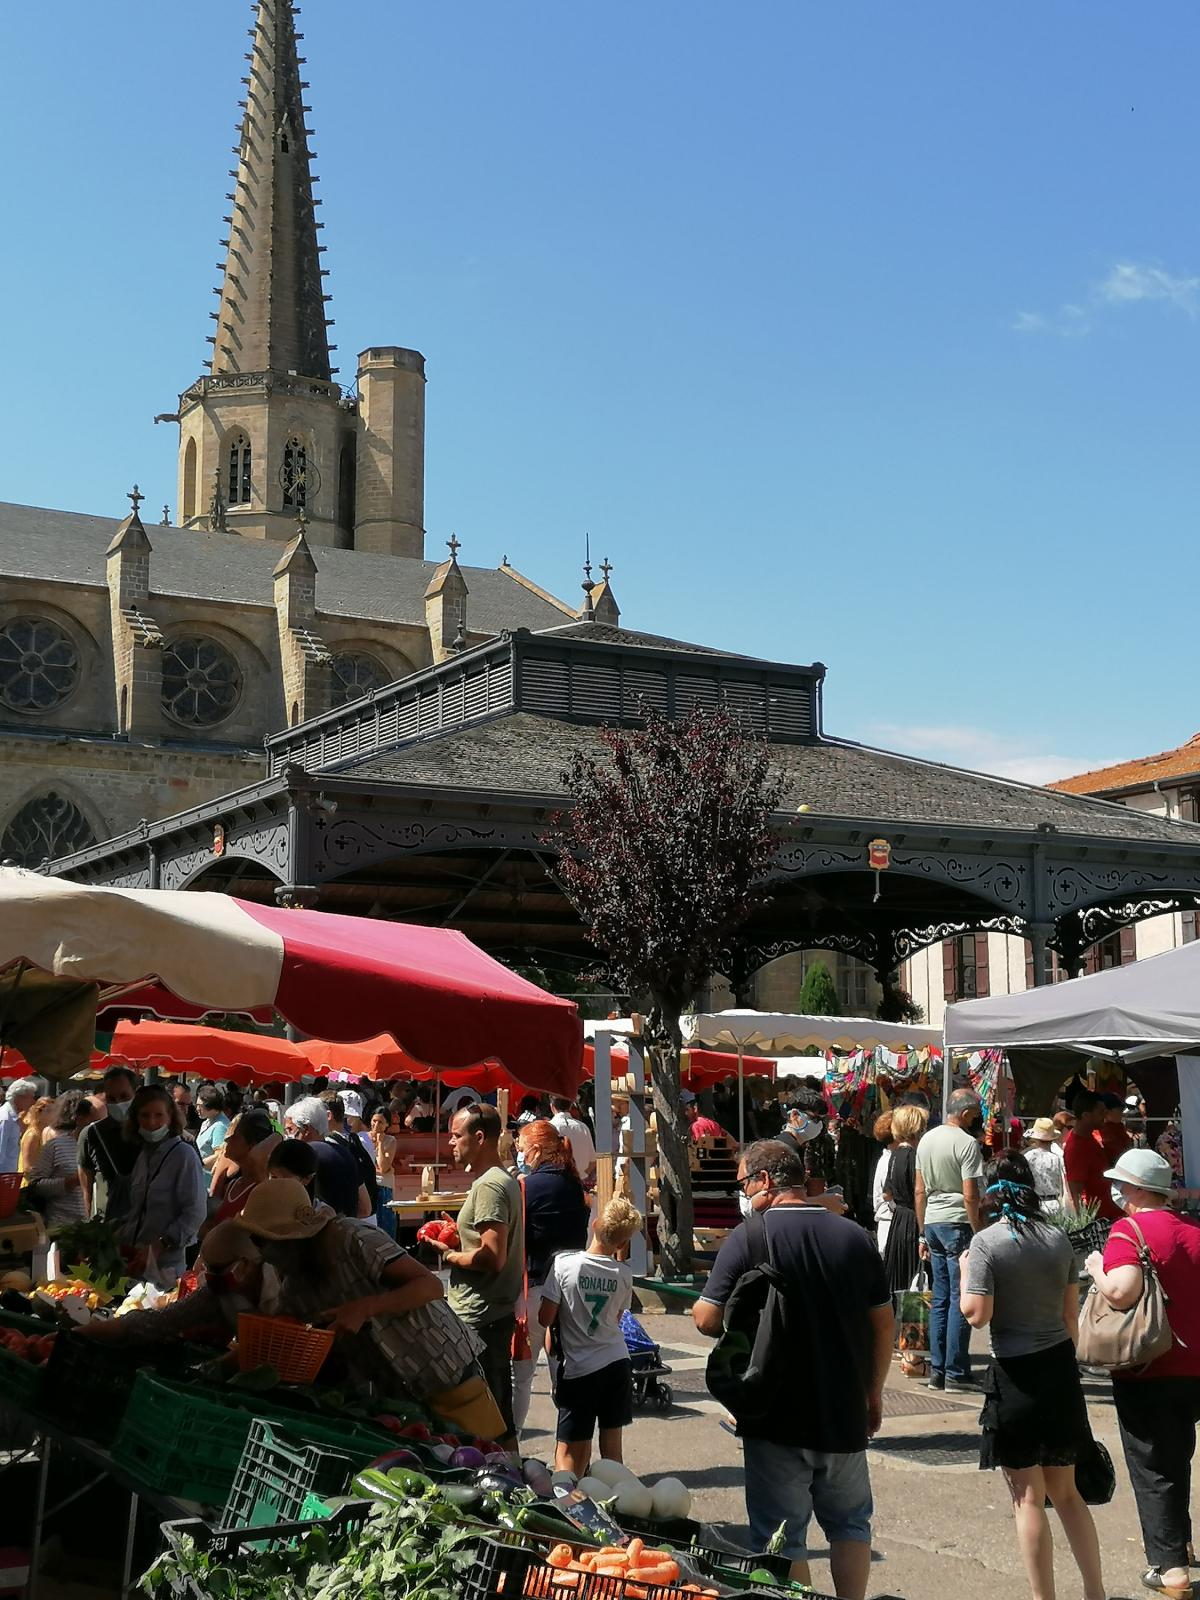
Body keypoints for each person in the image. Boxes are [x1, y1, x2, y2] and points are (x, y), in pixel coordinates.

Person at [693, 1140, 891, 1600]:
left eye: (744, 1183)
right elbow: (883, 1323)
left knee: (781, 1538)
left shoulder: (751, 1236)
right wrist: (873, 1392)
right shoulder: (855, 1237)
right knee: (851, 1524)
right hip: (844, 1408)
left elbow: (706, 1318)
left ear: (764, 1180)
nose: (744, 1193)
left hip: (775, 1412)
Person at [235, 1178, 503, 1439]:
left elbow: (429, 1286)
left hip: (441, 1366)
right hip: (395, 1393)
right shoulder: (294, 1286)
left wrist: (365, 1308)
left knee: (486, 1454)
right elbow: (284, 1337)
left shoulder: (353, 1237)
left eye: (263, 1241)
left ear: (291, 1238)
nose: (262, 1253)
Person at [960, 1154, 1103, 1600]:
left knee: (1027, 1499)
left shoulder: (986, 1243)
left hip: (1014, 1374)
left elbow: (977, 1315)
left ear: (992, 1194)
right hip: (1059, 1370)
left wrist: (964, 1272)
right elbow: (1070, 1317)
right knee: (1068, 1494)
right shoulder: (1058, 1239)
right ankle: (1095, 1592)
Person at [1084, 1149, 1200, 1600]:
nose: (1116, 1190)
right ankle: (1181, 1543)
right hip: (1194, 1366)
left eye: (1120, 1183)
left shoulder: (1127, 1231)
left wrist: (1096, 1268)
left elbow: (1121, 1291)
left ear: (1134, 1188)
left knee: (1152, 1466)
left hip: (1150, 1366)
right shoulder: (1192, 1229)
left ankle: (1171, 1570)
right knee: (1177, 1456)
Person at [426, 1104, 523, 1451]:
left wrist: (449, 1254)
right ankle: (510, 1470)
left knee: (487, 1420)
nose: (451, 1143)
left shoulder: (489, 1186)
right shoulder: (499, 1180)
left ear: (479, 1137)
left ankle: (507, 1475)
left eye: (456, 1135)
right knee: (495, 1415)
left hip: (480, 1318)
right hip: (491, 1315)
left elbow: (492, 1257)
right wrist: (460, 1234)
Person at [540, 1195, 642, 1474]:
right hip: (617, 1361)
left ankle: (567, 1497)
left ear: (595, 1224)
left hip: (580, 1368)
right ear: (622, 1244)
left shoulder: (564, 1265)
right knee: (612, 1451)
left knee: (568, 1452)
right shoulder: (623, 1273)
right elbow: (616, 1319)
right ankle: (616, 1496)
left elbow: (545, 1317)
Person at [512, 1120, 591, 1432]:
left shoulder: (527, 1188)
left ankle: (512, 1446)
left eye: (521, 1149)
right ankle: (573, 1443)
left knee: (521, 1375)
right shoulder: (573, 1185)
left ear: (535, 1150)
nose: (520, 1155)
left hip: (536, 1287)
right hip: (571, 1289)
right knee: (565, 1370)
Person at [915, 1087, 984, 1391]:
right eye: (975, 1114)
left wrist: (922, 1230)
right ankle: (956, 1372)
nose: (976, 1119)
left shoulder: (926, 1139)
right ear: (966, 1113)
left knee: (941, 1297)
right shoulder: (967, 1143)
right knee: (959, 1296)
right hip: (958, 1222)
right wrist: (978, 1230)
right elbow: (970, 1195)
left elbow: (919, 1190)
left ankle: (938, 1371)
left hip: (932, 1220)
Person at [116, 1084, 208, 1286]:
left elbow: (195, 1213)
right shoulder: (143, 1156)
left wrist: (161, 1244)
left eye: (159, 1115)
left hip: (165, 1271)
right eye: (145, 1116)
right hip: (133, 1266)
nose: (152, 1123)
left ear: (170, 1117)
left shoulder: (184, 1155)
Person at [283, 1097, 369, 1218]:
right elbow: (365, 1208)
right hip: (345, 1226)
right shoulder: (345, 1152)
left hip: (315, 1227)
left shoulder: (302, 1158)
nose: (287, 1136)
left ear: (306, 1129)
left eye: (290, 1129)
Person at [77, 1066, 141, 1221]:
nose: (118, 1103)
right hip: (107, 1223)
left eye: (124, 1096)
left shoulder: (152, 1131)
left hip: (147, 1222)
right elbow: (86, 1186)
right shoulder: (92, 1134)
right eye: (111, 1098)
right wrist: (89, 1221)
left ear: (137, 1094)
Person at [27, 1091, 97, 1227]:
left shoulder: (105, 1147)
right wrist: (71, 1182)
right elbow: (35, 1186)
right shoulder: (56, 1146)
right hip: (62, 1226)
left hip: (97, 1229)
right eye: (94, 1119)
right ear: (79, 1118)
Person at [881, 1104, 928, 1293]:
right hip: (914, 1218)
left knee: (899, 1272)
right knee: (915, 1274)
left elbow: (887, 1193)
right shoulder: (915, 1156)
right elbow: (919, 1191)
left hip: (898, 1219)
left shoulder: (894, 1155)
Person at [208, 1108, 278, 1224]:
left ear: (251, 1146)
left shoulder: (259, 1189)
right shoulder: (233, 1184)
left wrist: (278, 1135)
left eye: (235, 1136)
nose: (228, 1139)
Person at [1063, 1092, 1121, 1222]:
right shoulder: (1076, 1148)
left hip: (1109, 1215)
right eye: (1101, 1112)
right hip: (1098, 1221)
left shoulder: (1090, 1137)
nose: (1105, 1115)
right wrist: (1084, 1226)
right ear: (1086, 1116)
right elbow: (1076, 1194)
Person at [327, 1095, 379, 1213]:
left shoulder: (360, 1140)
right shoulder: (358, 1138)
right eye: (345, 1117)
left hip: (359, 1210)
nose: (347, 1122)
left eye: (349, 1117)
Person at [1023, 1118, 1071, 1217]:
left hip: (1036, 1203)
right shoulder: (1057, 1158)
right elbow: (1063, 1185)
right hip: (1055, 1204)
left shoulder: (1028, 1156)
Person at [550, 1096, 597, 1185]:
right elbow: (593, 1161)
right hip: (579, 1182)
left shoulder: (548, 1128)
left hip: (555, 1181)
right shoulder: (583, 1127)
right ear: (570, 1106)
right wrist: (581, 1175)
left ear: (552, 1107)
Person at [0, 1078, 39, 1175]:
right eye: (31, 1097)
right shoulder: (5, 1119)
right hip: (4, 1176)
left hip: (10, 1174)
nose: (33, 1102)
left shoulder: (14, 1116)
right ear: (19, 1097)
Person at [870, 1112, 895, 1256]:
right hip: (890, 1219)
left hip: (887, 1219)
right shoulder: (889, 1161)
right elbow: (888, 1195)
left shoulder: (886, 1158)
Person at [371, 1108, 398, 1237]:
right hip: (368, 1186)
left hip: (383, 1187)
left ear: (387, 1124)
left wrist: (380, 1143)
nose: (376, 1125)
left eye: (380, 1122)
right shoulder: (362, 1138)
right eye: (374, 1121)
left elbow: (383, 1167)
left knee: (385, 1228)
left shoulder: (390, 1141)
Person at [195, 1086, 230, 1171]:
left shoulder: (220, 1127)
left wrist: (196, 1165)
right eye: (197, 1105)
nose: (197, 1109)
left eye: (200, 1106)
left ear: (211, 1106)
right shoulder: (207, 1122)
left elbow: (219, 1156)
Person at [18, 1096, 55, 1175]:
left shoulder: (44, 1132)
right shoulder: (32, 1135)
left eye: (54, 1111)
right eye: (49, 1111)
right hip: (30, 1181)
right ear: (39, 1112)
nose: (53, 1115)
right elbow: (27, 1168)